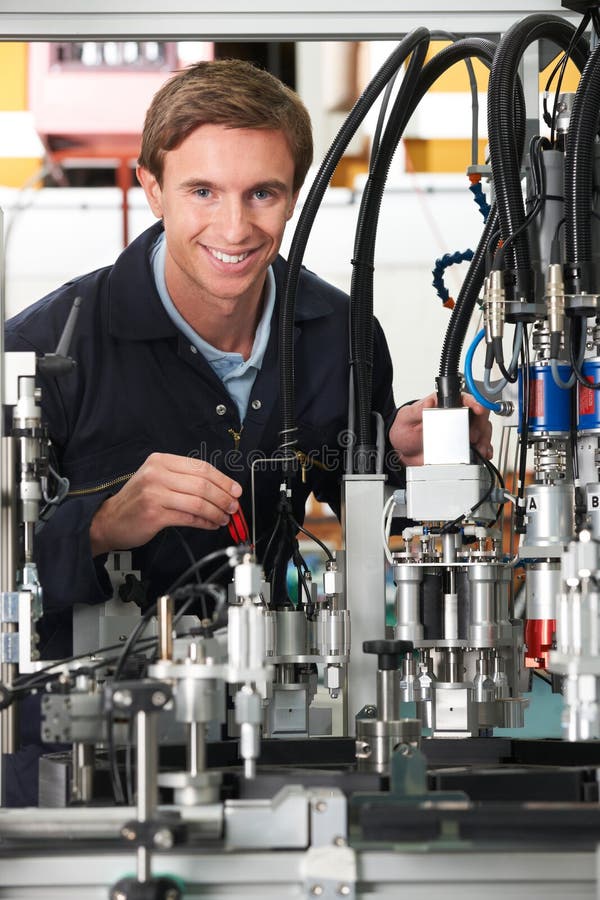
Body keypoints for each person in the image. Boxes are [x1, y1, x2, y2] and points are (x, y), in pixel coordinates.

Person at [4, 60, 491, 797]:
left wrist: (402, 460)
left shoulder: (339, 335)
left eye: (263, 193)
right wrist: (100, 524)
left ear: (294, 194)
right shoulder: (45, 350)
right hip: (78, 750)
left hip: (269, 729)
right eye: (202, 191)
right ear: (152, 187)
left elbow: (361, 494)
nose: (235, 228)